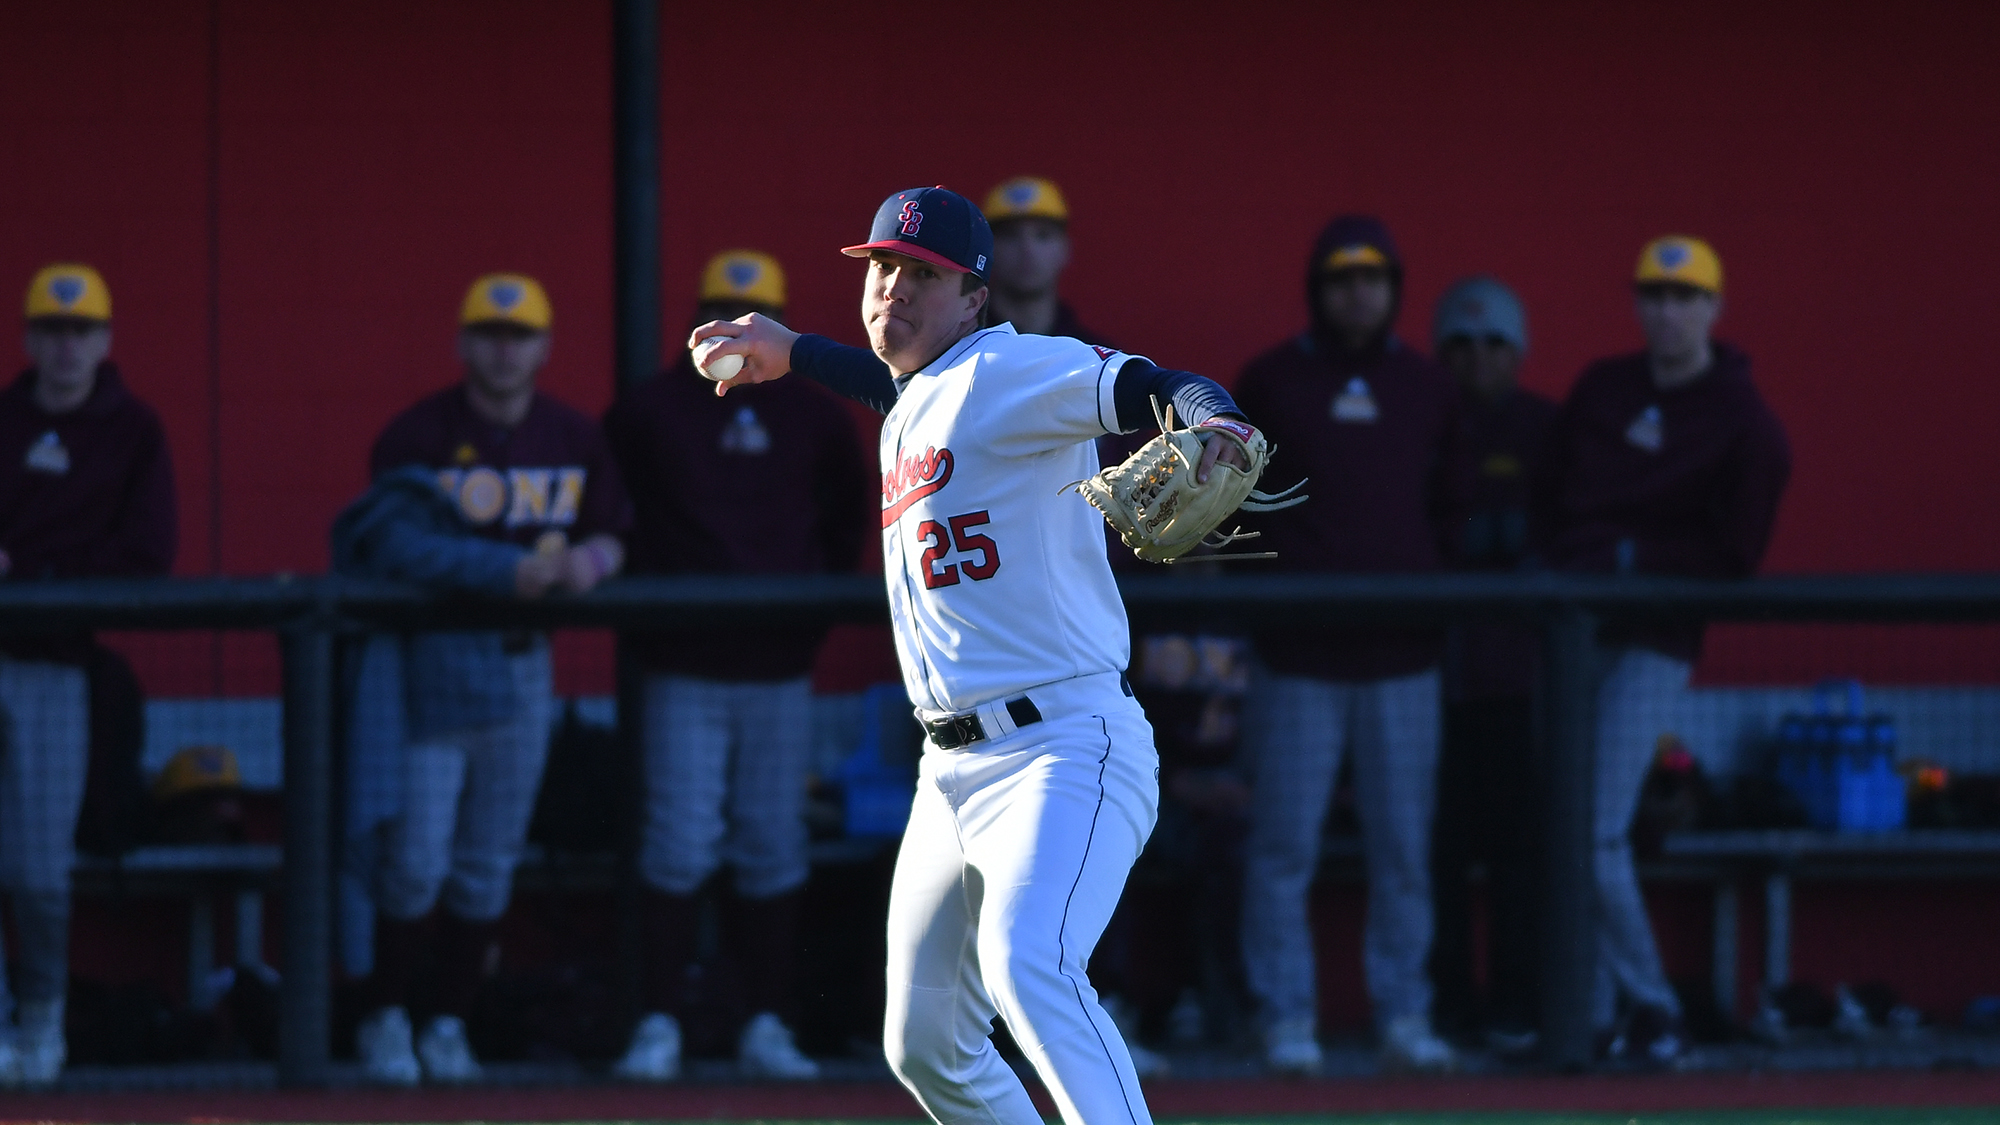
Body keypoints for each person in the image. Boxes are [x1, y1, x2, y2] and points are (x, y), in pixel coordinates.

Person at [692, 185, 1267, 1125]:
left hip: (1064, 745)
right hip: (947, 769)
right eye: (882, 267)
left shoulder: (1012, 367)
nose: (895, 289)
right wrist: (791, 351)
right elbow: (900, 387)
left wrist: (1216, 419)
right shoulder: (920, 397)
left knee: (1027, 961)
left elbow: (1151, 384)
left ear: (974, 299)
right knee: (923, 1044)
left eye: (925, 275)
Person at [339, 273, 628, 1086]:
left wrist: (592, 560)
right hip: (428, 668)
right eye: (490, 334)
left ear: (543, 346)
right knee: (415, 860)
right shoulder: (418, 435)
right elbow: (393, 544)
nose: (505, 350)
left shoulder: (571, 435)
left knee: (487, 861)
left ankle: (447, 1022)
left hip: (520, 663)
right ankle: (386, 1016)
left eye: (520, 335)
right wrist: (514, 570)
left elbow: (615, 529)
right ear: (466, 342)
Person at [603, 251, 871, 1081]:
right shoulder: (650, 409)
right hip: (682, 665)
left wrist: (805, 624)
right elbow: (617, 518)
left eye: (751, 314)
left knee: (771, 844)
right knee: (678, 845)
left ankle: (767, 1020)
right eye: (721, 311)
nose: (736, 329)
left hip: (779, 669)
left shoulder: (818, 416)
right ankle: (657, 1022)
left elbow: (847, 523)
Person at [1538, 236, 1789, 1065]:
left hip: (1656, 641)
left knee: (1596, 832)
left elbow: (1735, 555)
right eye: (1654, 294)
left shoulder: (1745, 419)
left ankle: (1653, 1007)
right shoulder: (1606, 388)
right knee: (1568, 827)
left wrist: (1635, 555)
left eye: (1685, 297)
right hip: (1576, 637)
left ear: (1714, 308)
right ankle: (1602, 1012)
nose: (1668, 310)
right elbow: (1557, 498)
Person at [1231, 215, 1458, 1074]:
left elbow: (1455, 511)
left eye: (1373, 278)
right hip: (1296, 662)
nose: (1357, 293)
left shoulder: (1429, 389)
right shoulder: (1273, 380)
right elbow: (1235, 508)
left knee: (1404, 850)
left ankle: (1405, 1014)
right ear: (1316, 288)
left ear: (1395, 290)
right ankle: (1285, 1016)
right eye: (1341, 278)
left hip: (1404, 662)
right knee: (1282, 848)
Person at [0, 264, 176, 1088]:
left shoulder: (134, 429)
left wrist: (29, 569)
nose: (66, 344)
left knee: (37, 868)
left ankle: (41, 1020)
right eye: (51, 328)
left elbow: (147, 556)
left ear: (104, 340)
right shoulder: (2, 417)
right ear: (30, 337)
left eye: (82, 330)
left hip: (56, 667)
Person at [1426, 276, 1556, 1056]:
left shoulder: (1546, 427)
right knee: (1438, 856)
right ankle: (1450, 1007)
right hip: (1433, 678)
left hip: (1520, 684)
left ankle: (1518, 1003)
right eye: (1462, 343)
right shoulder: (1424, 420)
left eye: (1495, 343)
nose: (1479, 358)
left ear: (1519, 352)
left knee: (1518, 858)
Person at [983, 176, 1115, 346]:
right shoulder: (959, 351)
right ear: (988, 249)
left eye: (1043, 235)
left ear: (1065, 249)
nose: (1027, 249)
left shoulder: (1097, 359)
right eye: (1010, 235)